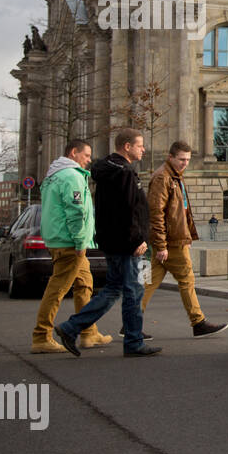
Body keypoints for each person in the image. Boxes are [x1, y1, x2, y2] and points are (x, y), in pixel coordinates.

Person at [52, 130, 160, 357]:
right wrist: (138, 240)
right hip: (131, 244)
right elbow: (128, 211)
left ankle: (71, 328)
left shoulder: (106, 171)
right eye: (140, 146)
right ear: (127, 146)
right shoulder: (125, 173)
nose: (144, 150)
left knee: (113, 288)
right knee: (135, 290)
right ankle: (133, 341)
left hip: (113, 241)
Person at [29, 140, 112, 354]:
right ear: (74, 153)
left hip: (60, 239)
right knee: (57, 289)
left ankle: (88, 332)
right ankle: (41, 336)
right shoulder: (72, 176)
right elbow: (76, 211)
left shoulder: (53, 175)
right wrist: (78, 241)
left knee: (84, 284)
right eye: (86, 156)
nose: (89, 160)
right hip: (70, 242)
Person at [140, 141, 228, 338]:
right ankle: (198, 322)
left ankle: (130, 323)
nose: (185, 163)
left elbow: (181, 212)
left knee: (149, 283)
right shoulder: (163, 177)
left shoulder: (174, 176)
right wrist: (162, 244)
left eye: (188, 160)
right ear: (170, 157)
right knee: (187, 280)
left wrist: (188, 235)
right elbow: (156, 213)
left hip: (173, 240)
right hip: (171, 242)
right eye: (181, 159)